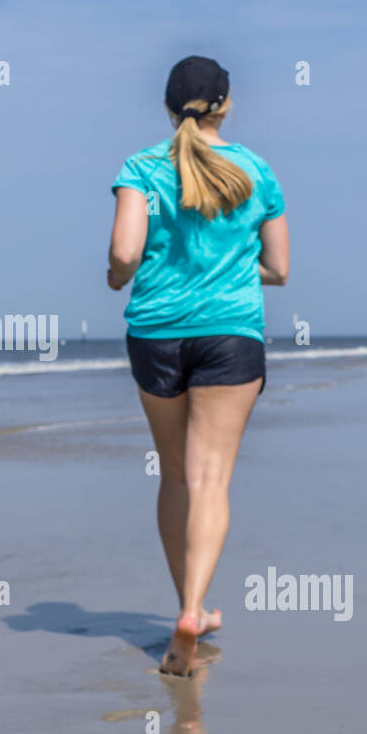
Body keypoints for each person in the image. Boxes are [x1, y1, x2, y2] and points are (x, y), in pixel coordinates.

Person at [106, 55, 289, 676]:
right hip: (230, 336)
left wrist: (114, 277)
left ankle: (191, 607)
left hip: (156, 334)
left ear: (166, 106)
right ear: (227, 105)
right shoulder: (256, 170)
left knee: (175, 474)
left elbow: (125, 253)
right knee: (211, 479)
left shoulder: (141, 167)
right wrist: (235, 267)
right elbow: (280, 269)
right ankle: (193, 609)